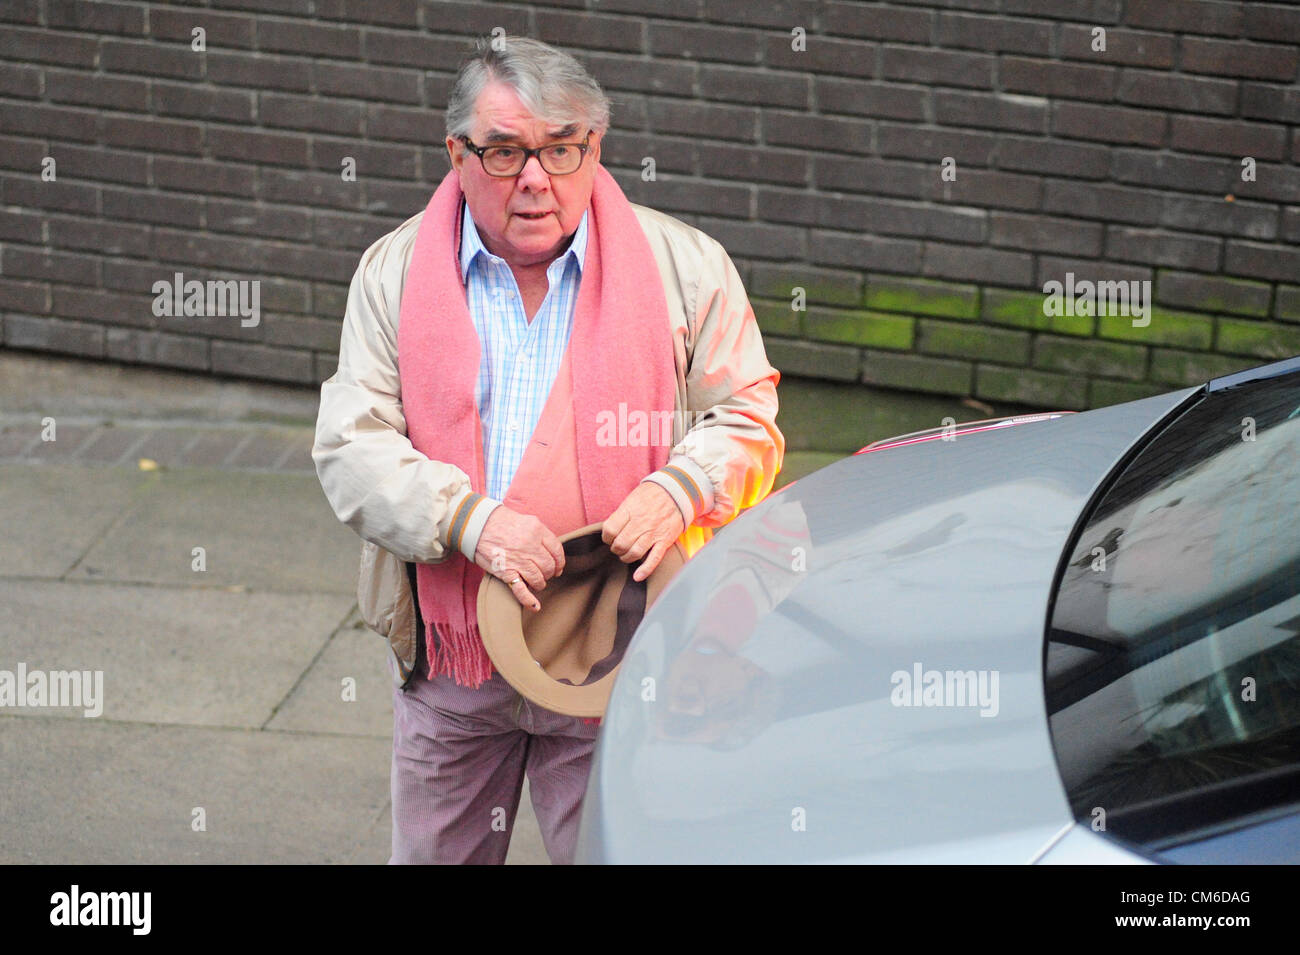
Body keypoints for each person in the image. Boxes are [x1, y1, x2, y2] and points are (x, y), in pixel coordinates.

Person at [313, 35, 784, 864]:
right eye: (504, 152)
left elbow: (748, 414)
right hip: (451, 662)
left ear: (593, 146)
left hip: (618, 648)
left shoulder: (687, 265)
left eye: (561, 149)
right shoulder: (392, 271)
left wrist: (679, 487)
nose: (536, 178)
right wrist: (471, 522)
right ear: (456, 151)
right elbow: (351, 445)